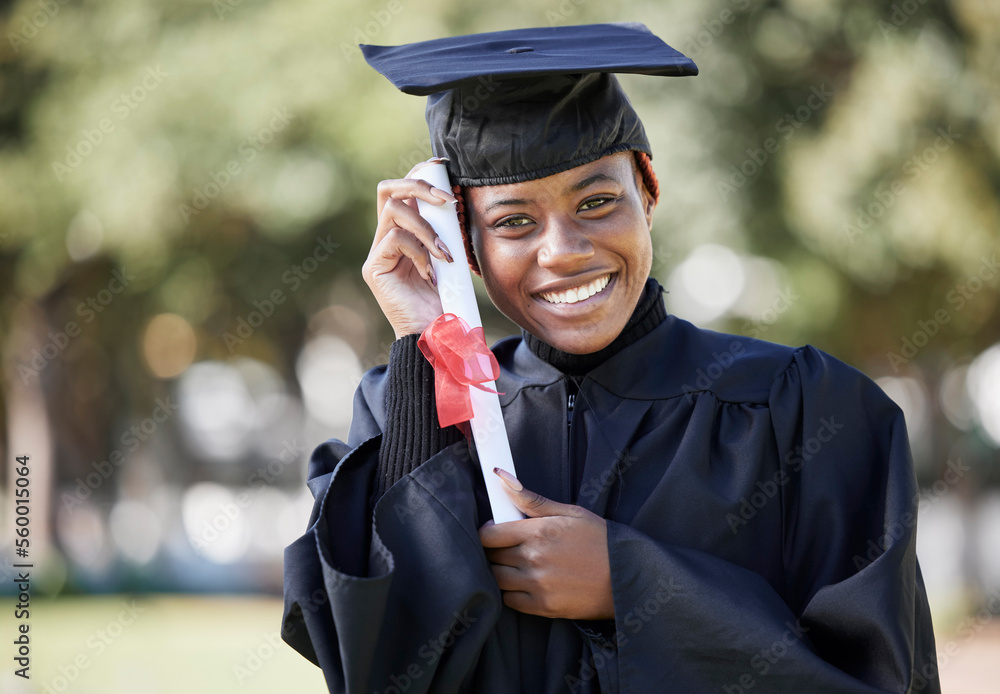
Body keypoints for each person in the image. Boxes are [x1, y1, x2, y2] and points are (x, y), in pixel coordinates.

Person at [282, 23, 940, 693]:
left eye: (597, 202)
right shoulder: (408, 410)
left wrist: (631, 584)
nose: (563, 250)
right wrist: (427, 345)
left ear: (648, 192)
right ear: (465, 245)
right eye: (513, 221)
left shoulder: (804, 409)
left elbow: (879, 682)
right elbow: (382, 672)